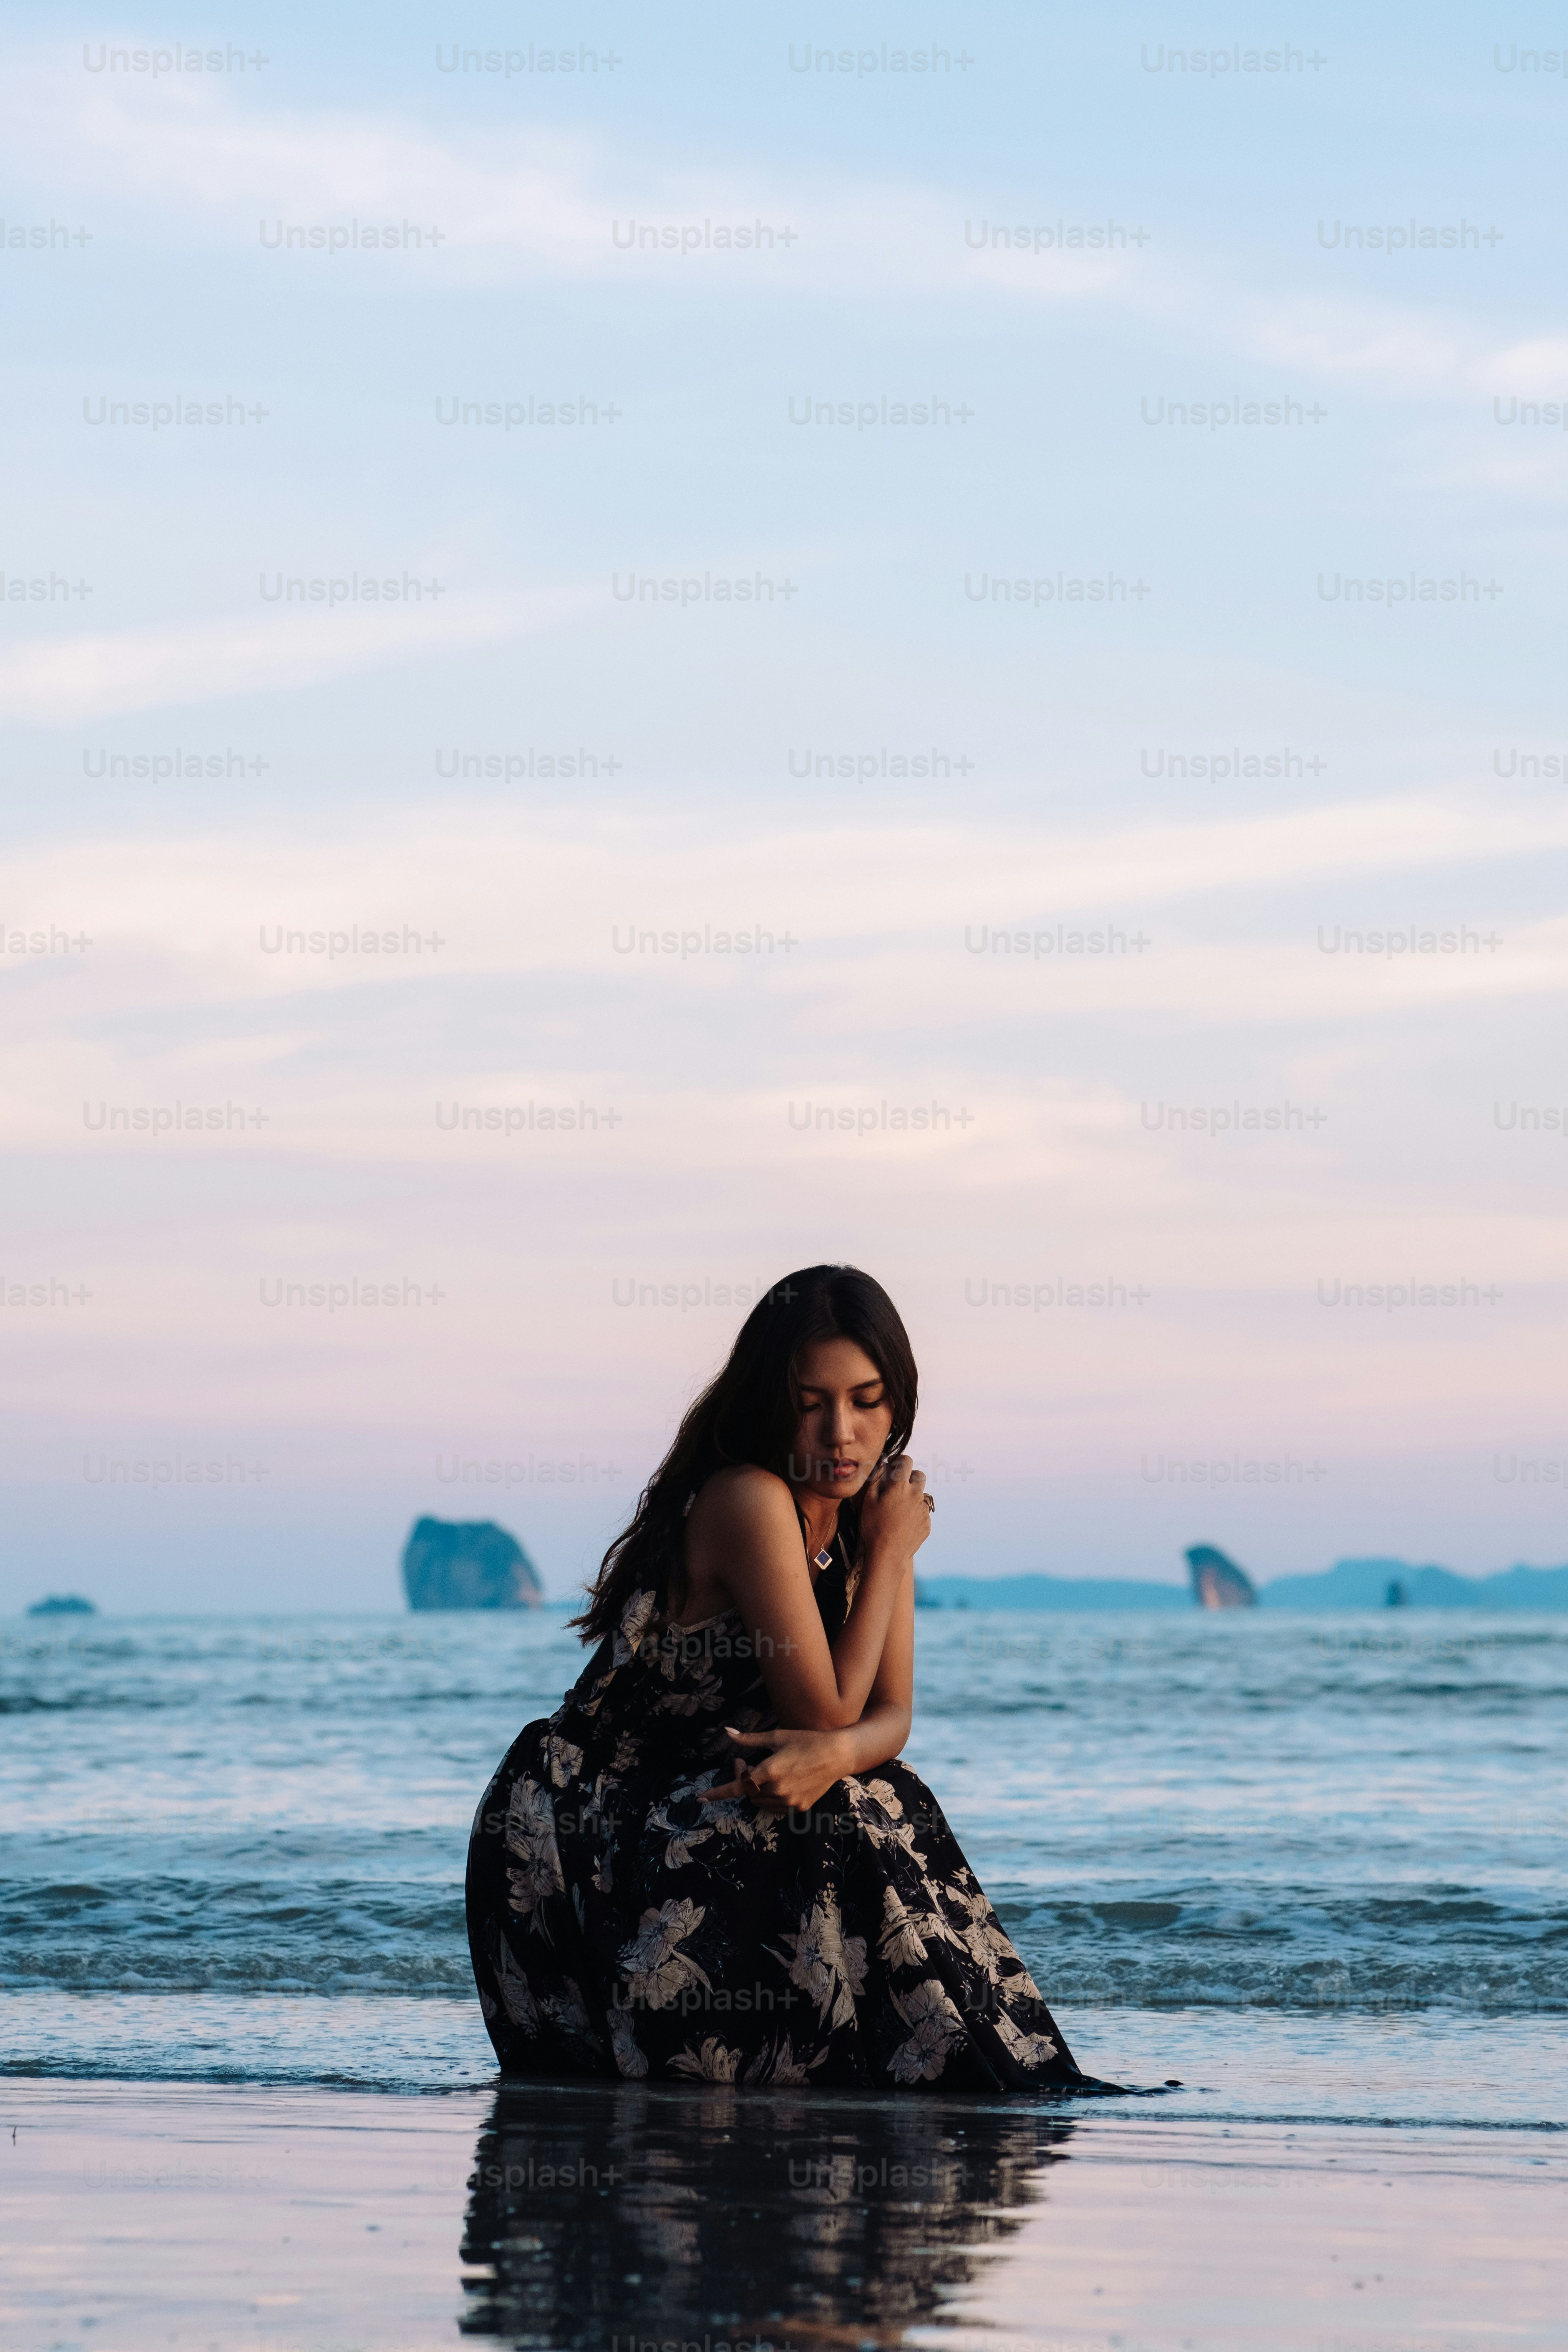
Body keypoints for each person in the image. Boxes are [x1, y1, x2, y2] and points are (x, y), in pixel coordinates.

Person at [465, 1263, 1101, 2090]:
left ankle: (966, 2065)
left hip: (715, 1796)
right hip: (591, 1820)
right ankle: (932, 2074)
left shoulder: (873, 1510)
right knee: (836, 1800)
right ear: (772, 1401)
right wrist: (891, 1556)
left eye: (866, 1399)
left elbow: (890, 1716)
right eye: (811, 1402)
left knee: (881, 1789)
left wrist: (831, 1752)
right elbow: (833, 1708)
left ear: (897, 1402)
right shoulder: (749, 1498)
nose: (841, 1430)